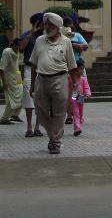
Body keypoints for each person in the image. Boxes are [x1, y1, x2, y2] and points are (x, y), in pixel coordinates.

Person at [30, 12, 77, 154]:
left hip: (60, 79)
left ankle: (55, 142)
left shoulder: (66, 42)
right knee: (39, 111)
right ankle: (54, 136)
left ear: (57, 27)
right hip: (41, 79)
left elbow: (72, 66)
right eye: (46, 24)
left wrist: (74, 84)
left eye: (51, 25)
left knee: (59, 112)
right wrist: (32, 85)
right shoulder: (39, 40)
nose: (47, 27)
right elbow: (33, 64)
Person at [18, 13, 45, 138]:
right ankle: (29, 127)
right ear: (37, 23)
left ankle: (38, 127)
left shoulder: (46, 36)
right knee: (29, 99)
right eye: (43, 22)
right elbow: (21, 48)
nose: (45, 25)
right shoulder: (27, 35)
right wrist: (32, 32)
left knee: (42, 99)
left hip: (43, 69)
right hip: (29, 68)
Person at [63, 16, 89, 125]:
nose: (68, 27)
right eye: (66, 25)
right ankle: (69, 115)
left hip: (78, 66)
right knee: (68, 92)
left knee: (80, 92)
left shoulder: (77, 35)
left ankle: (80, 113)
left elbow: (86, 46)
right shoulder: (61, 36)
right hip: (65, 67)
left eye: (69, 25)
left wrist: (76, 45)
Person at [0, 37, 24, 125]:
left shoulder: (18, 52)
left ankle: (15, 115)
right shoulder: (7, 52)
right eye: (17, 45)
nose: (19, 48)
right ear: (13, 44)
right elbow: (1, 69)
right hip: (8, 78)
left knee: (22, 95)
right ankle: (4, 118)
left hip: (17, 75)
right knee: (11, 100)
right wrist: (4, 82)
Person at [68, 58, 91, 137]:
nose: (82, 71)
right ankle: (77, 128)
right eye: (80, 69)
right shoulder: (70, 79)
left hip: (81, 97)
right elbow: (66, 87)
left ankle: (80, 119)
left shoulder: (83, 79)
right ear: (75, 70)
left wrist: (88, 94)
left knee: (80, 112)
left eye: (83, 69)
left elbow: (86, 88)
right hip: (74, 95)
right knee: (75, 112)